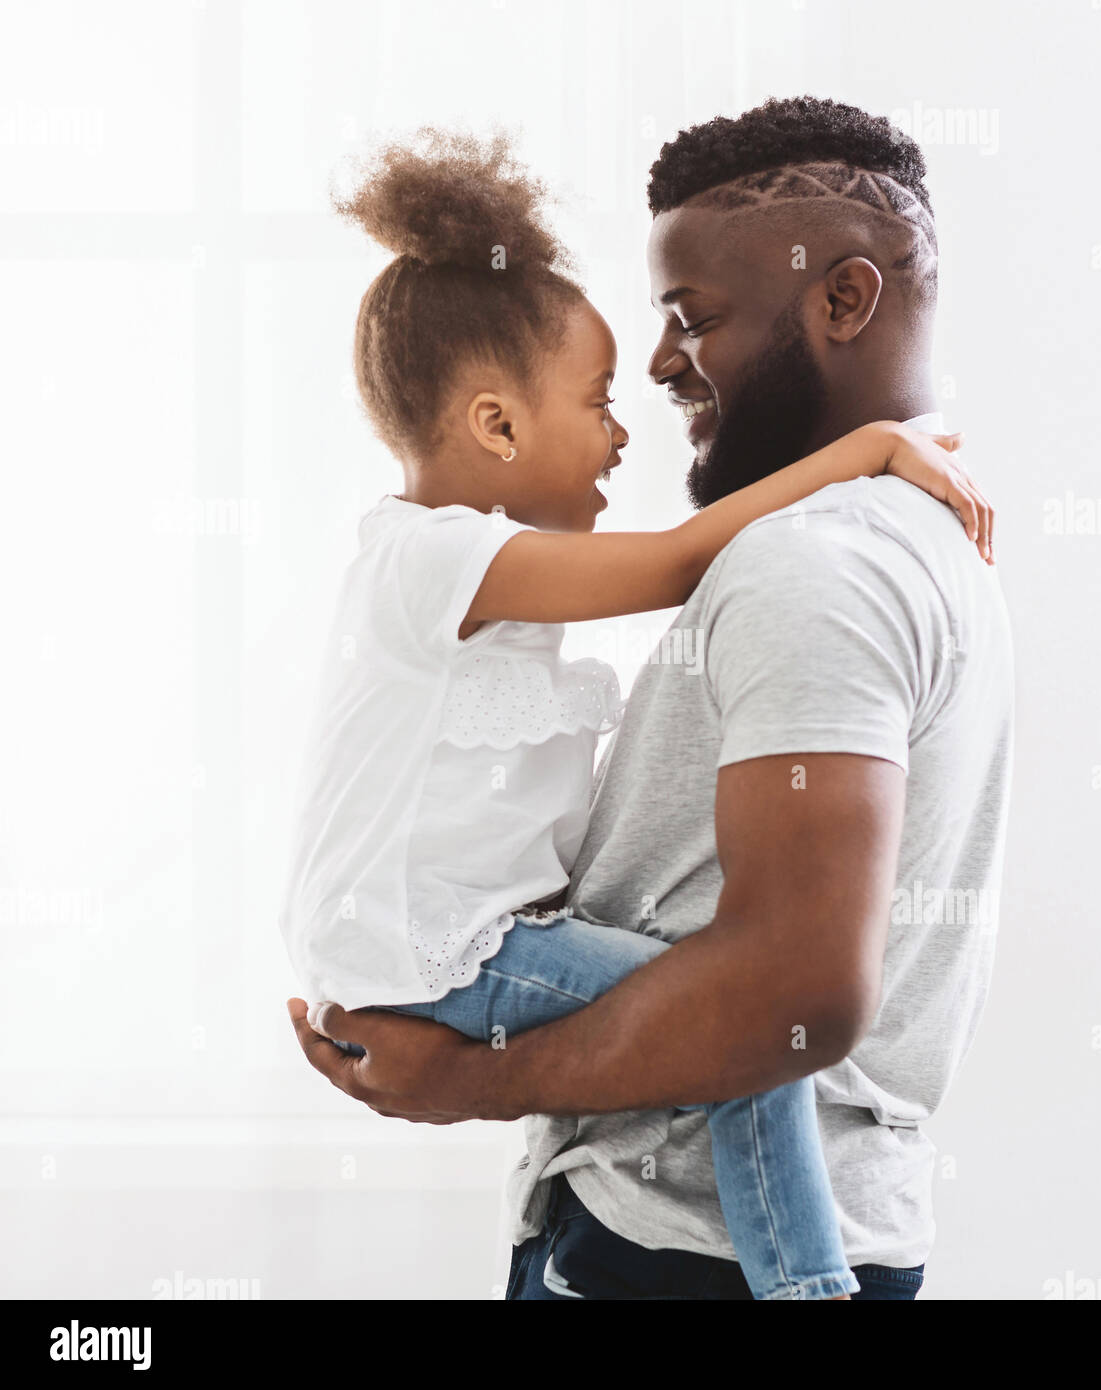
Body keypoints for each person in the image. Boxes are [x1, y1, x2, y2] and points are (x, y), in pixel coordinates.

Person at [290, 96, 1015, 1302]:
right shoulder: (904, 539)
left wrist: (465, 1083)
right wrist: (862, 456)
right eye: (608, 388)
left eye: (694, 319)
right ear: (493, 420)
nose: (663, 369)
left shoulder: (817, 560)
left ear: (840, 300)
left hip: (680, 1254)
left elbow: (787, 1000)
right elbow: (668, 565)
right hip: (664, 1203)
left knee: (752, 1053)